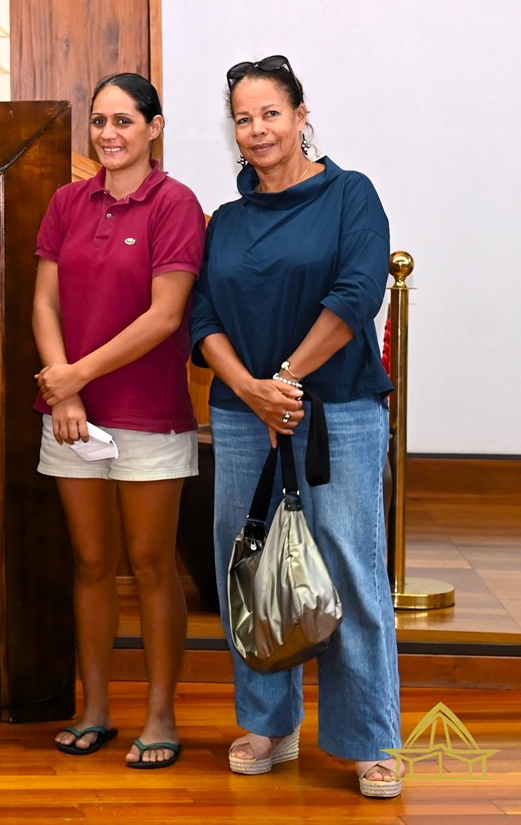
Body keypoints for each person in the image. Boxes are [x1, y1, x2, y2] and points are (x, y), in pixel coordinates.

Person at [192, 55, 402, 799]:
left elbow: (355, 295)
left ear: (301, 114)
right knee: (248, 568)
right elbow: (203, 317)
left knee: (348, 568)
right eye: (243, 118)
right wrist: (252, 388)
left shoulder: (350, 195)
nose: (257, 130)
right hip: (246, 415)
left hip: (335, 413)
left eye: (270, 114)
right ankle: (270, 722)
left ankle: (370, 735)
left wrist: (288, 378)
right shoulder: (229, 219)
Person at [32, 73, 204, 769]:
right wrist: (66, 390)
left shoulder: (176, 203)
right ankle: (94, 705)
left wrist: (78, 373)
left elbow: (166, 316)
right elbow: (46, 304)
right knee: (91, 562)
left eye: (124, 120)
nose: (108, 133)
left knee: (151, 565)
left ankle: (160, 715)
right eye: (99, 120)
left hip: (150, 414)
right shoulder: (68, 201)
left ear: (154, 128)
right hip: (71, 413)